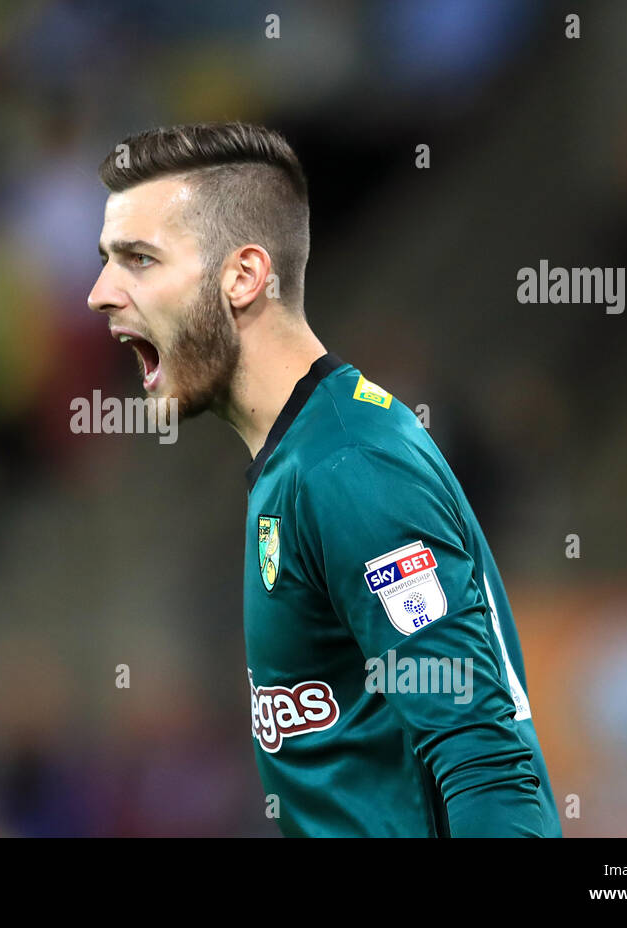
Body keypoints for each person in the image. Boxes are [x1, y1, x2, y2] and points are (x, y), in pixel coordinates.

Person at [87, 122, 561, 837]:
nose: (99, 294)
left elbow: (484, 759)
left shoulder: (349, 468)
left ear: (242, 277)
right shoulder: (294, 463)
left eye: (140, 260)